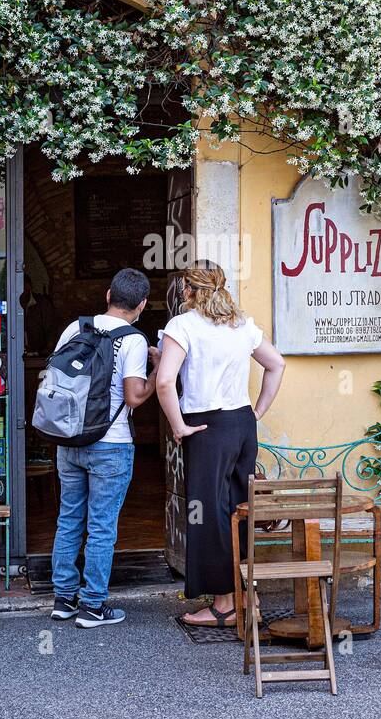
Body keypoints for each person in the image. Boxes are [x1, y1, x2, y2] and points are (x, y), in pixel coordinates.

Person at [155, 260, 286, 628]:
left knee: (206, 512)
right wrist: (256, 412)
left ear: (191, 291)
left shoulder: (182, 325)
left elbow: (165, 382)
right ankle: (249, 596)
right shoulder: (242, 325)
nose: (182, 293)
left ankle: (226, 604)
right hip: (241, 424)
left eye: (184, 287)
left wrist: (178, 426)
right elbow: (276, 364)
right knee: (239, 508)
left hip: (206, 427)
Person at [50, 268, 158, 628]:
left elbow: (57, 380)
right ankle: (93, 605)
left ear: (108, 294)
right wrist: (159, 371)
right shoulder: (134, 341)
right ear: (141, 305)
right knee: (101, 527)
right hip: (110, 446)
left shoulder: (74, 328)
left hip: (70, 440)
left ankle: (64, 599)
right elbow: (134, 396)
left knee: (69, 520)